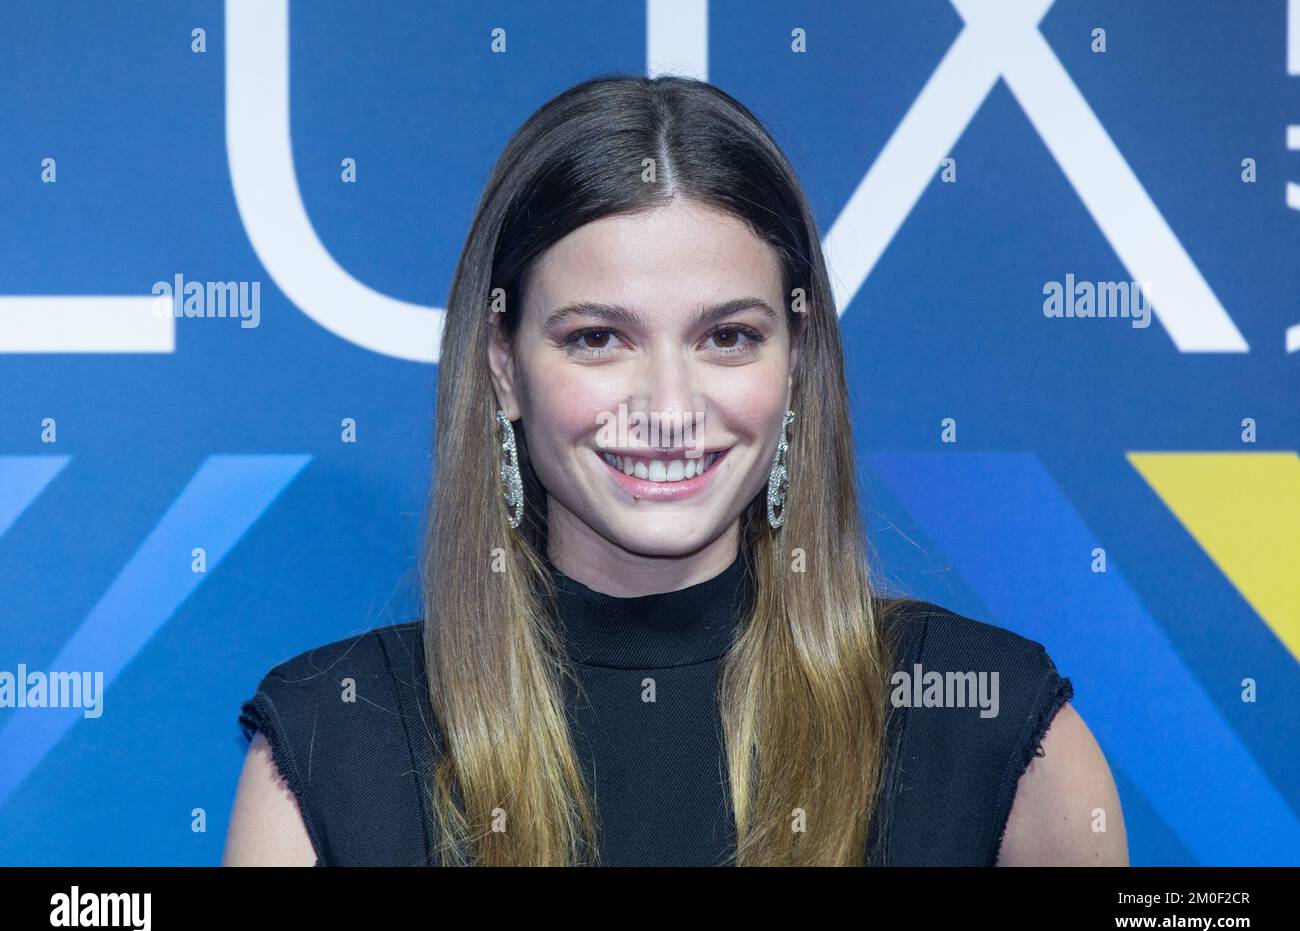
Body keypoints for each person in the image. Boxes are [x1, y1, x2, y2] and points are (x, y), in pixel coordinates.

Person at [223, 74, 1127, 867]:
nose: (667, 406)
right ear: (503, 365)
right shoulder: (333, 741)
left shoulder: (989, 726)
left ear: (798, 362)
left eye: (727, 337)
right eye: (598, 338)